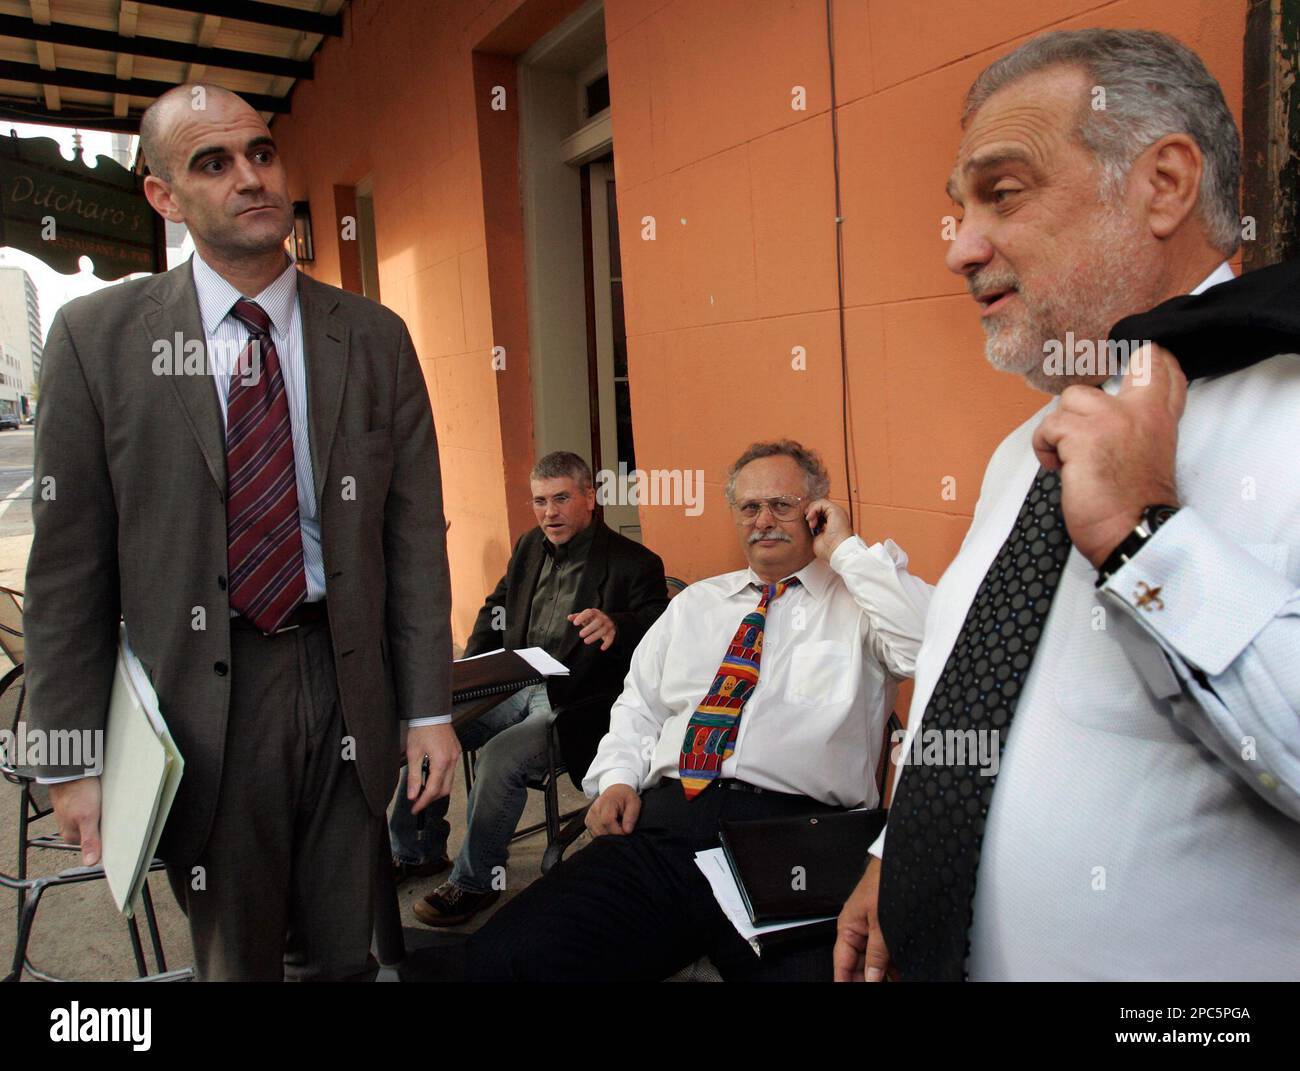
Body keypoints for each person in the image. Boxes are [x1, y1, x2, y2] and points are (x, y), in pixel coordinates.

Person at [835, 29, 1300, 983]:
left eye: (1002, 193)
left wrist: (1145, 539)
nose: (960, 248)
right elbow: (972, 679)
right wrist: (897, 849)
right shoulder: (1022, 453)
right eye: (959, 209)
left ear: (1164, 184)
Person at [24, 83, 459, 981]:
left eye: (261, 153)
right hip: (202, 699)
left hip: (345, 677)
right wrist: (67, 754)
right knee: (238, 958)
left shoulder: (373, 337)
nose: (251, 177)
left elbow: (414, 538)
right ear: (164, 196)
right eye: (212, 163)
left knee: (347, 953)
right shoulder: (96, 340)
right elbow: (67, 569)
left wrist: (428, 710)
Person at [468, 440, 933, 981]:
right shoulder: (696, 604)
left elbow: (931, 644)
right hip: (668, 825)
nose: (764, 520)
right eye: (749, 507)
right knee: (504, 959)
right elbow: (639, 705)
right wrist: (617, 779)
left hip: (799, 840)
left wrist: (847, 551)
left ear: (817, 511)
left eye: (782, 505)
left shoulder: (859, 605)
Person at [398, 450, 668, 927]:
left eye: (561, 499)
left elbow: (660, 627)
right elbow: (496, 608)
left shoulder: (634, 562)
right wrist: (467, 674)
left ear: (591, 497)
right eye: (540, 501)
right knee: (431, 728)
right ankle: (417, 851)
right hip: (514, 679)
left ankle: (474, 882)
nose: (549, 513)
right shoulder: (528, 547)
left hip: (577, 700)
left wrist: (618, 625)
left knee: (500, 757)